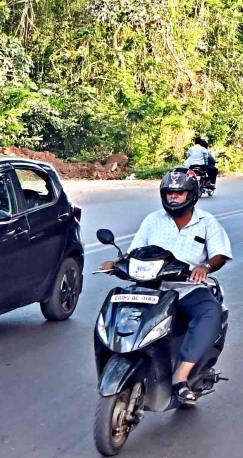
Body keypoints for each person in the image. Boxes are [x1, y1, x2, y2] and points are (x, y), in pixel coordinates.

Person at [98, 174, 232, 407]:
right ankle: (120, 358)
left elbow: (219, 254)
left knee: (211, 311)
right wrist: (117, 263)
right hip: (150, 286)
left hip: (187, 288)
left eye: (179, 193)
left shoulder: (206, 221)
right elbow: (135, 252)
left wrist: (205, 267)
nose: (174, 197)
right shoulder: (152, 220)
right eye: (169, 193)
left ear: (191, 196)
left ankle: (181, 375)